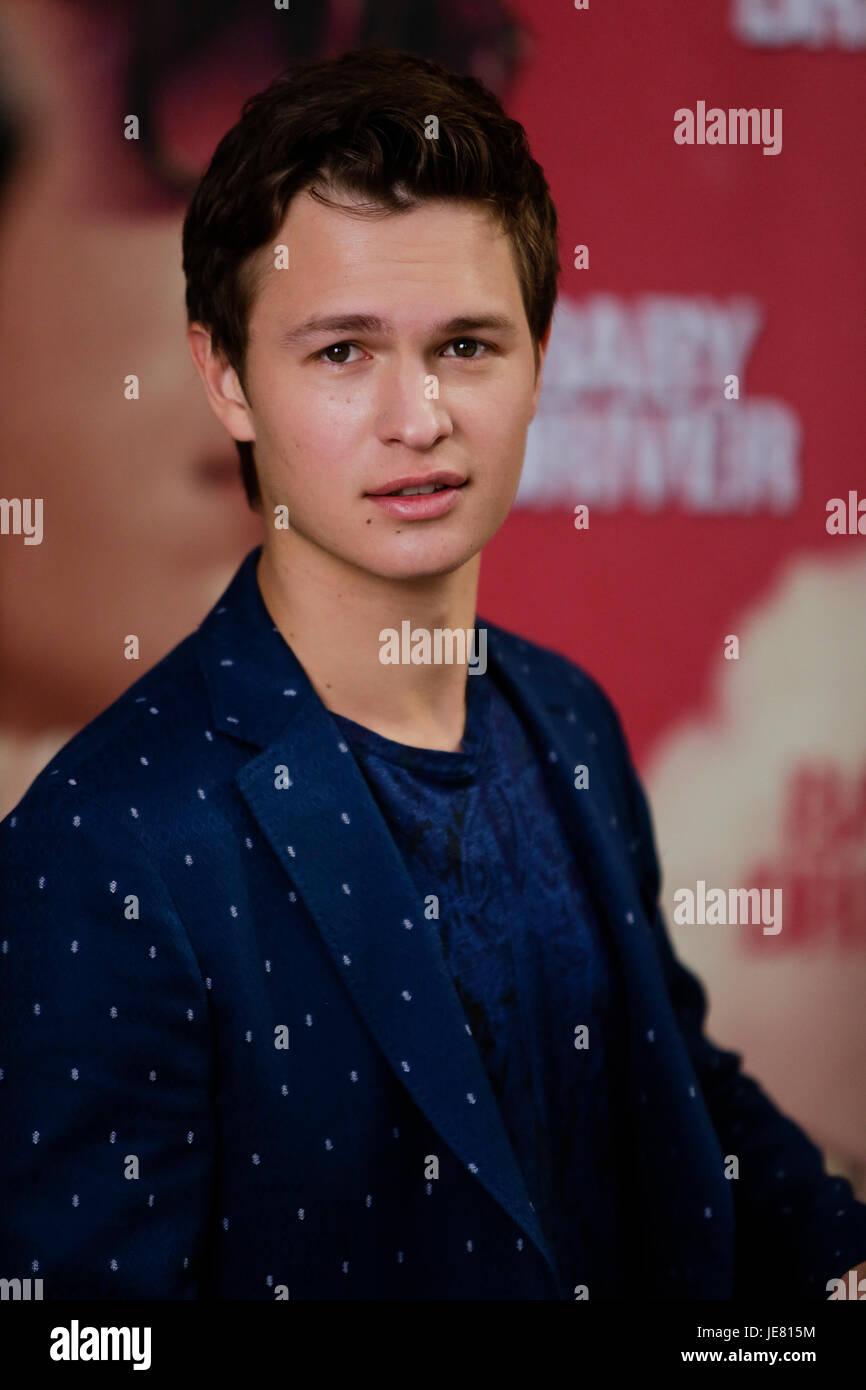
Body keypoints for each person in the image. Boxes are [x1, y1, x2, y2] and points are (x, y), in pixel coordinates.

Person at [1, 47, 864, 1302]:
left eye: (465, 344)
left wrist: (838, 1254)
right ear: (225, 376)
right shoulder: (102, 840)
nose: (419, 417)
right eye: (343, 354)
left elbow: (671, 1087)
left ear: (537, 358)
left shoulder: (565, 715)